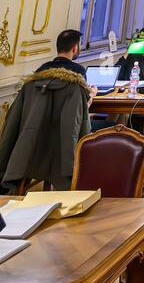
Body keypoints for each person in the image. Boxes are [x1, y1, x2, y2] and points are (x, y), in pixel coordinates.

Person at [0, 29, 92, 191]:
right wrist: (91, 95)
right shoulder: (77, 75)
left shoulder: (39, 73)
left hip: (32, 145)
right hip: (63, 146)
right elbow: (81, 110)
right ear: (75, 48)